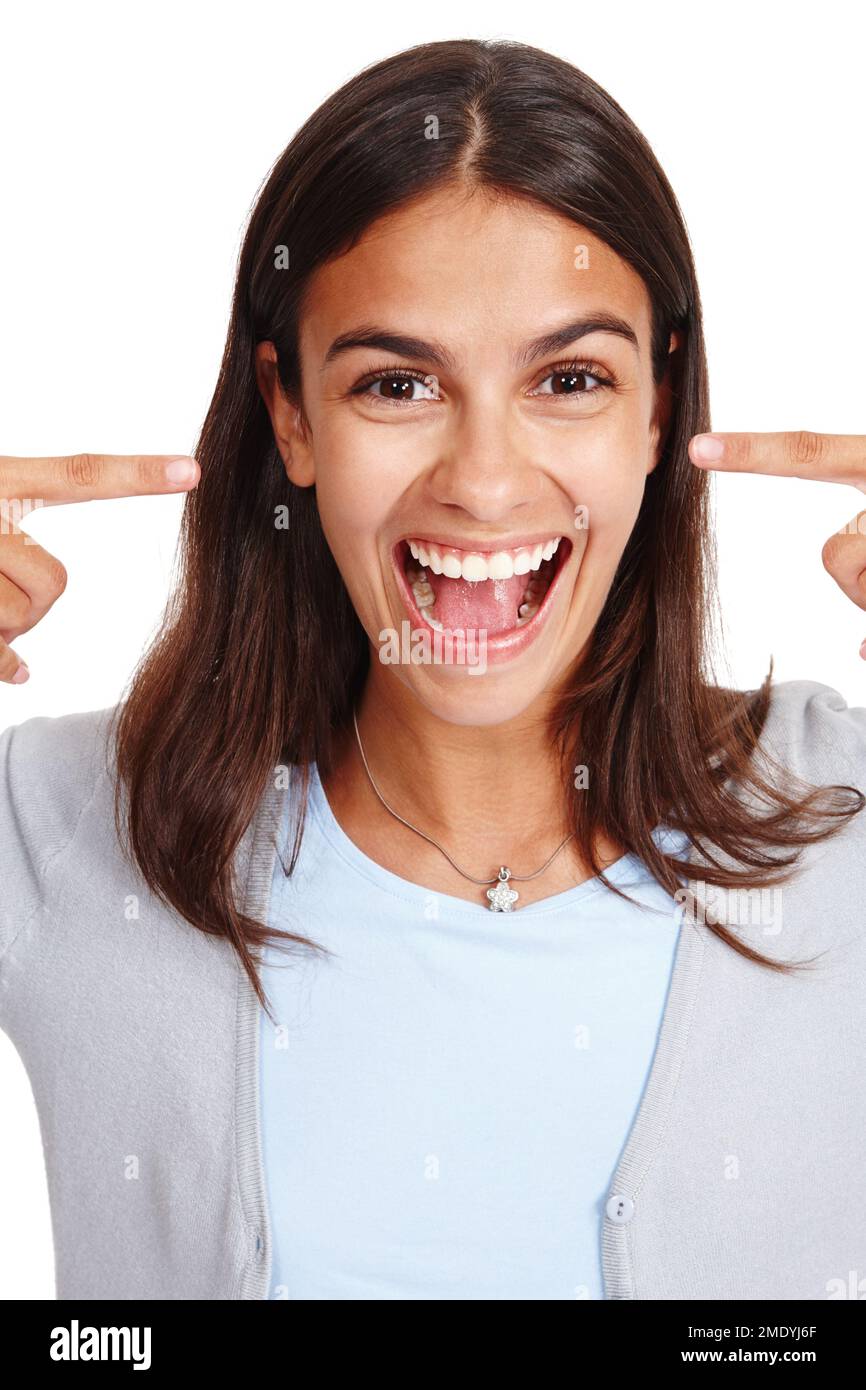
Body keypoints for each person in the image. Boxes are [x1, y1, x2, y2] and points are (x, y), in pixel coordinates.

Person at [1, 38, 864, 1301]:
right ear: (289, 413)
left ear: (655, 409)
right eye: (397, 383)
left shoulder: (836, 819)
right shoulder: (68, 833)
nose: (484, 480)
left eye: (569, 379)